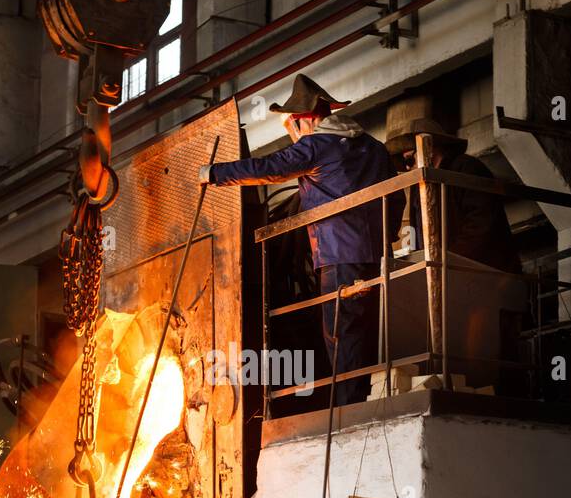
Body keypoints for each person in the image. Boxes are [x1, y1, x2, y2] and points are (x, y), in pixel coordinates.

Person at [202, 74, 397, 405]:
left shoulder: (316, 145)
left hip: (337, 257)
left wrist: (213, 174)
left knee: (340, 332)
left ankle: (347, 412)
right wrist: (387, 236)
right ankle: (365, 401)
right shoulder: (374, 149)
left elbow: (271, 167)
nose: (291, 134)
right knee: (369, 331)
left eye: (291, 125)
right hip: (377, 257)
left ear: (305, 118)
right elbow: (396, 198)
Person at [386, 116, 520, 275]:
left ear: (431, 148)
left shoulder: (467, 168)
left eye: (409, 160)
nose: (408, 168)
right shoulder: (418, 188)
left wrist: (450, 258)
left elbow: (482, 223)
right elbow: (418, 234)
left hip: (484, 271)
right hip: (446, 272)